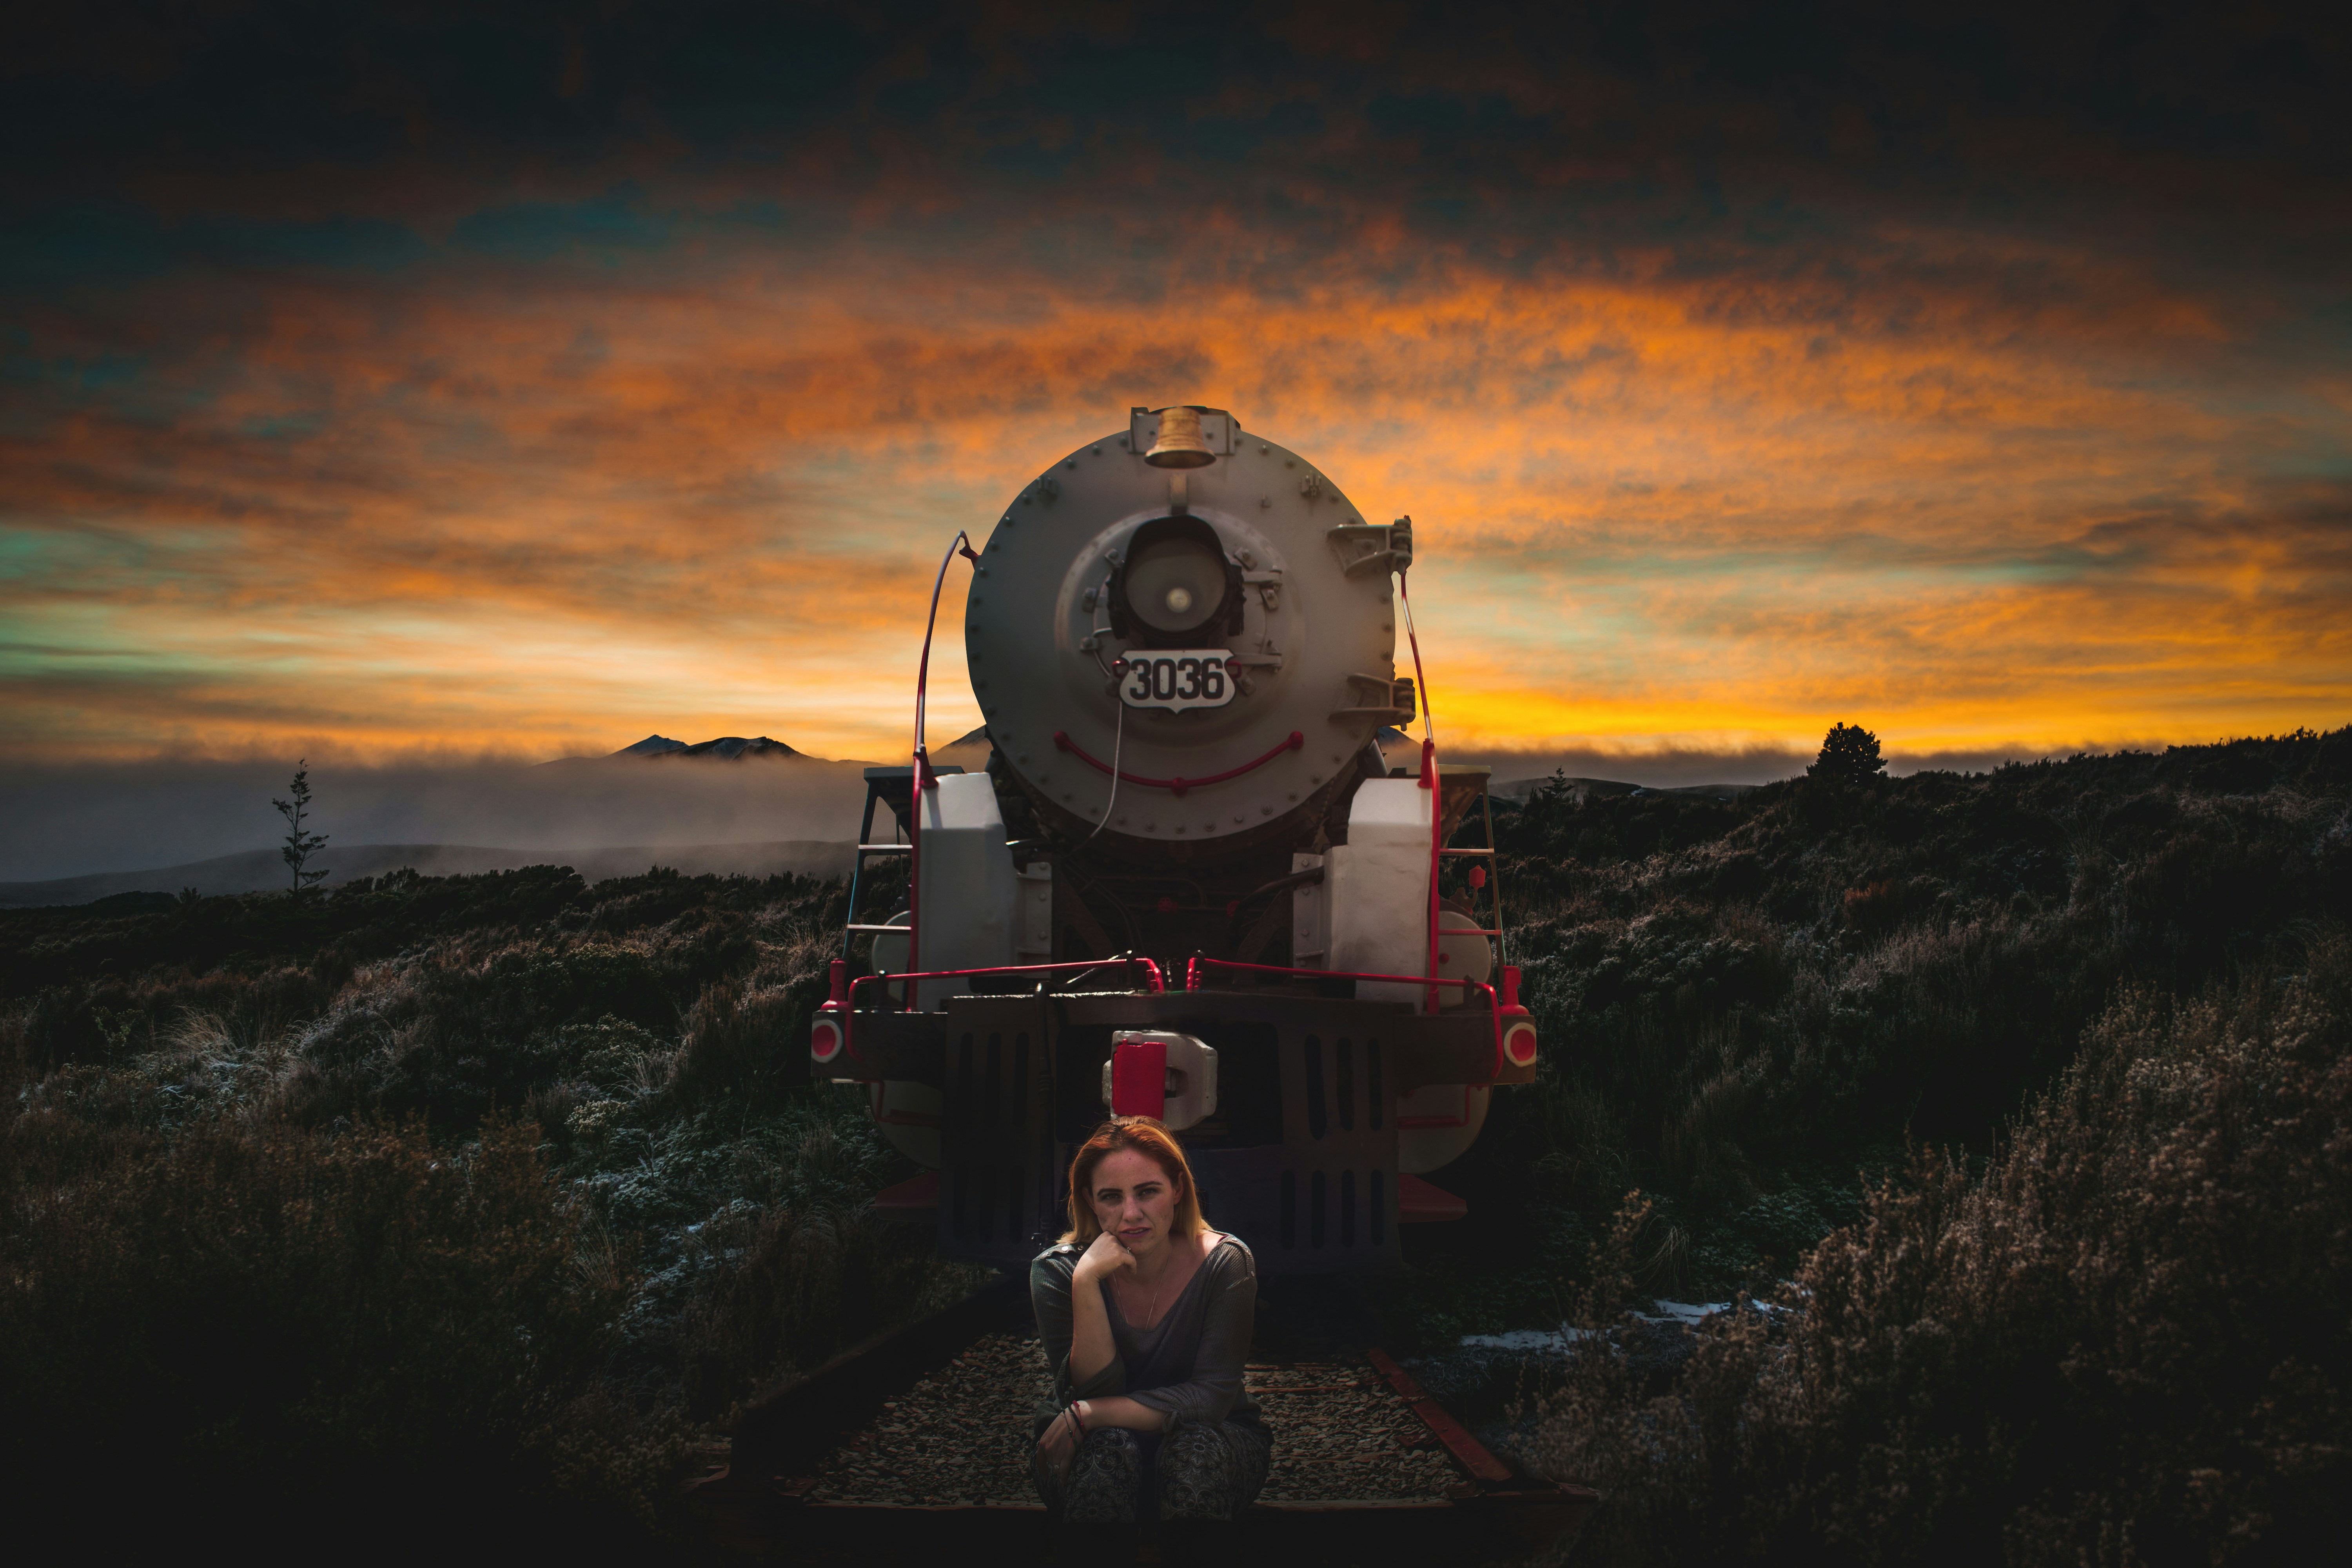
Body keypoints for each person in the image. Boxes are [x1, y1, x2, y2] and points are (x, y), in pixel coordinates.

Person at [1030, 1116, 1271, 1526]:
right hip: (1086, 1443)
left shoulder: (1226, 1264)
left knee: (1193, 1454)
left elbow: (1210, 1400)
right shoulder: (1057, 1273)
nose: (1131, 1213)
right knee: (1107, 1453)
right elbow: (1096, 1388)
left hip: (1215, 1438)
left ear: (1177, 1188)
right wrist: (1087, 1283)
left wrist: (1090, 1412)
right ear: (1089, 1200)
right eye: (1111, 1196)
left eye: (1148, 1192)